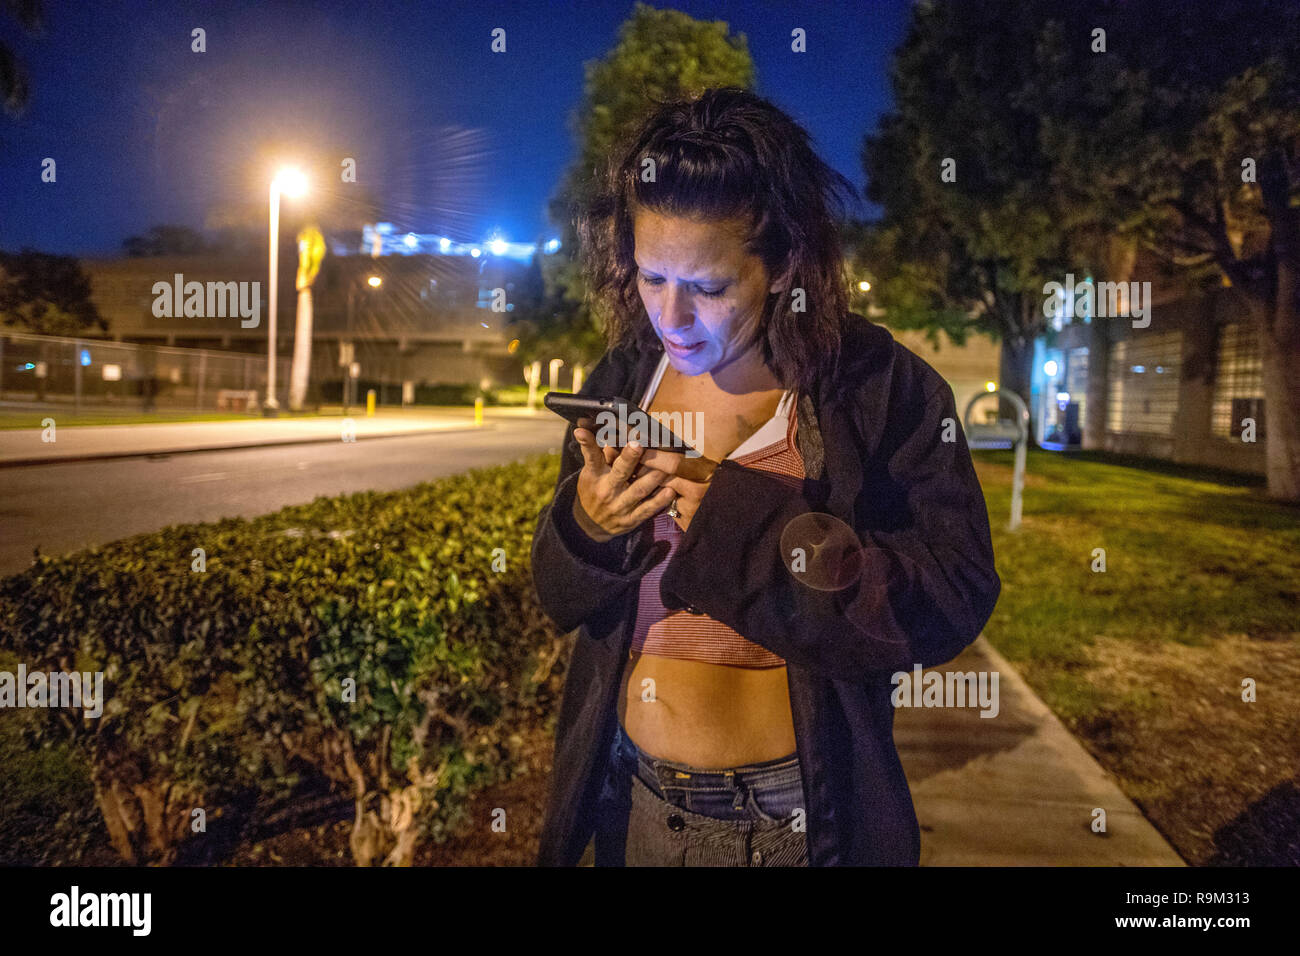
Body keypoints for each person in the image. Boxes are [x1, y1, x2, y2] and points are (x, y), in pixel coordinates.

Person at [531, 88, 1001, 867]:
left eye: (708, 288)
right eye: (651, 278)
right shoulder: (623, 380)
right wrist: (587, 530)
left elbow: (951, 597)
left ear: (783, 264)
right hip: (633, 807)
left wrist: (749, 532)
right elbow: (559, 595)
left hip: (787, 825)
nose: (670, 318)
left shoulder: (877, 386)